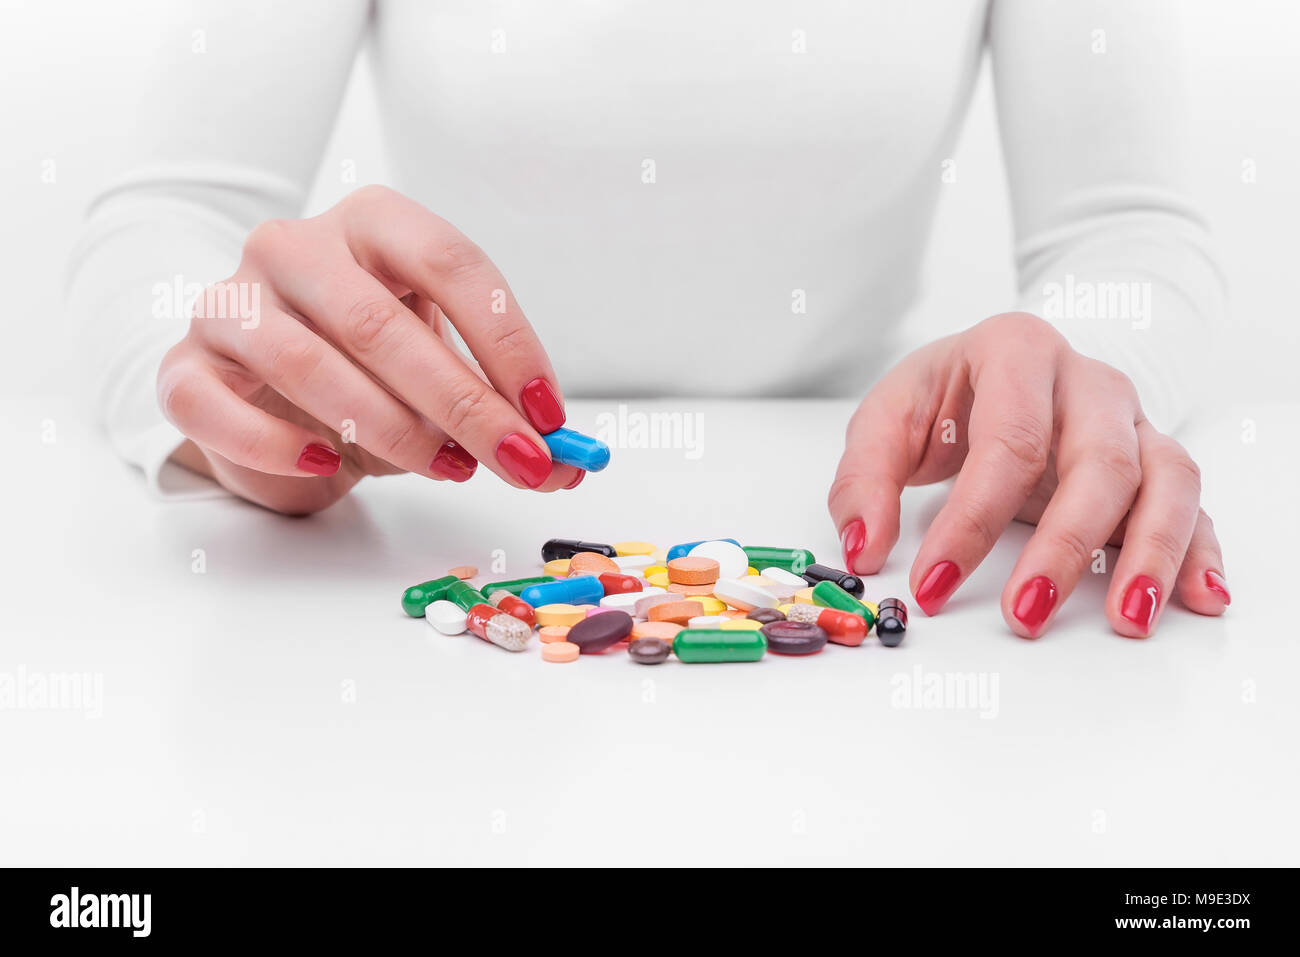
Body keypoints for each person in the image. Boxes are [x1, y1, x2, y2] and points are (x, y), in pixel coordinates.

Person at [67, 0, 1230, 640]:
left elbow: (1127, 237)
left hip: (860, 512)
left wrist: (1070, 383)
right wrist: (238, 404)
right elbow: (168, 221)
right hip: (447, 510)